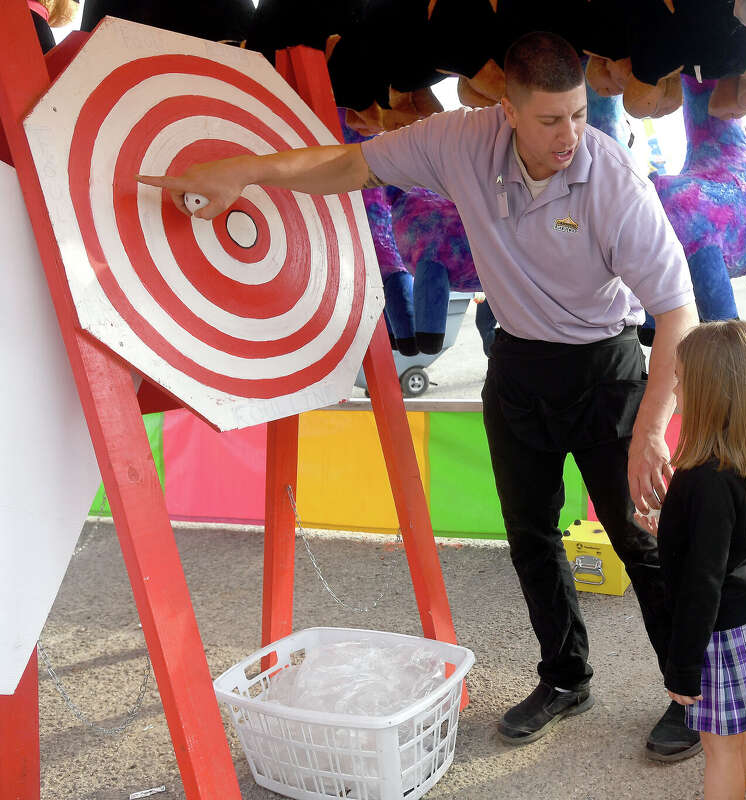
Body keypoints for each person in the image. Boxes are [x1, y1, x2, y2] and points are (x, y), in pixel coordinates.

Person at [139, 32, 702, 760]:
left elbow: (678, 312)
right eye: (550, 120)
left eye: (576, 117)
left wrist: (653, 429)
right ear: (507, 109)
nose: (569, 137)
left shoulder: (614, 178)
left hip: (607, 364)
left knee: (639, 538)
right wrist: (245, 173)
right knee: (530, 536)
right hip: (520, 362)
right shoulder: (460, 139)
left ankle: (692, 692)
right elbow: (349, 163)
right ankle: (565, 677)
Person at [637, 319, 746, 800]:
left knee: (720, 751)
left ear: (710, 392)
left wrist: (683, 667)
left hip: (721, 633)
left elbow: (702, 582)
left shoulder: (702, 479)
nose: (675, 388)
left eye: (681, 379)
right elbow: (745, 537)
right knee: (736, 740)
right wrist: (672, 528)